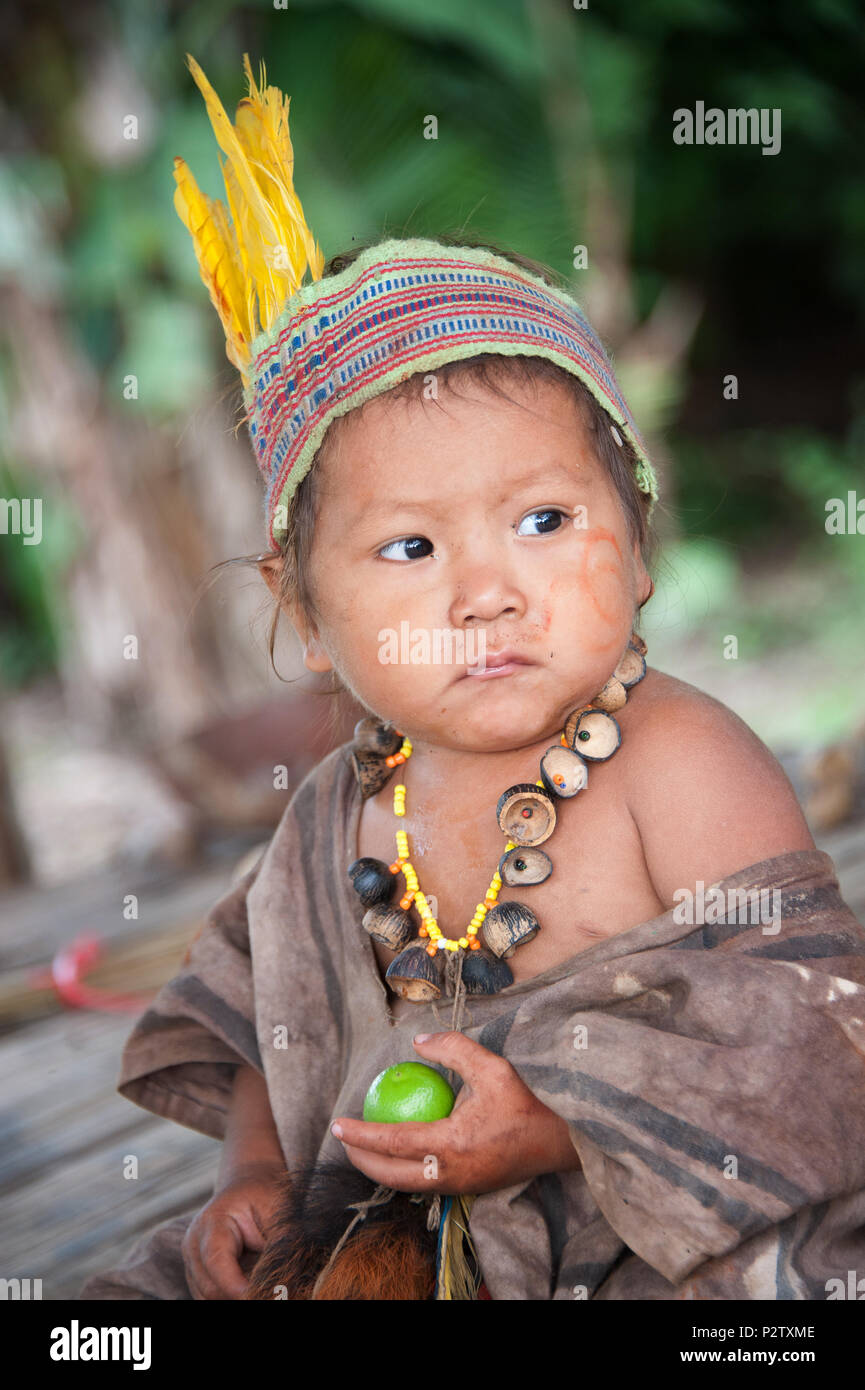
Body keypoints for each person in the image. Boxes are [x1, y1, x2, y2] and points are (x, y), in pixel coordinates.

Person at [78, 55, 865, 1301]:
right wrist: (250, 1176)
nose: (487, 591)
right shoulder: (336, 817)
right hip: (377, 1233)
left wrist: (557, 1132)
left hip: (640, 1226)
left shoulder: (679, 763)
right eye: (409, 548)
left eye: (545, 522)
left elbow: (816, 1030)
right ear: (310, 618)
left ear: (640, 540)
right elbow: (256, 1018)